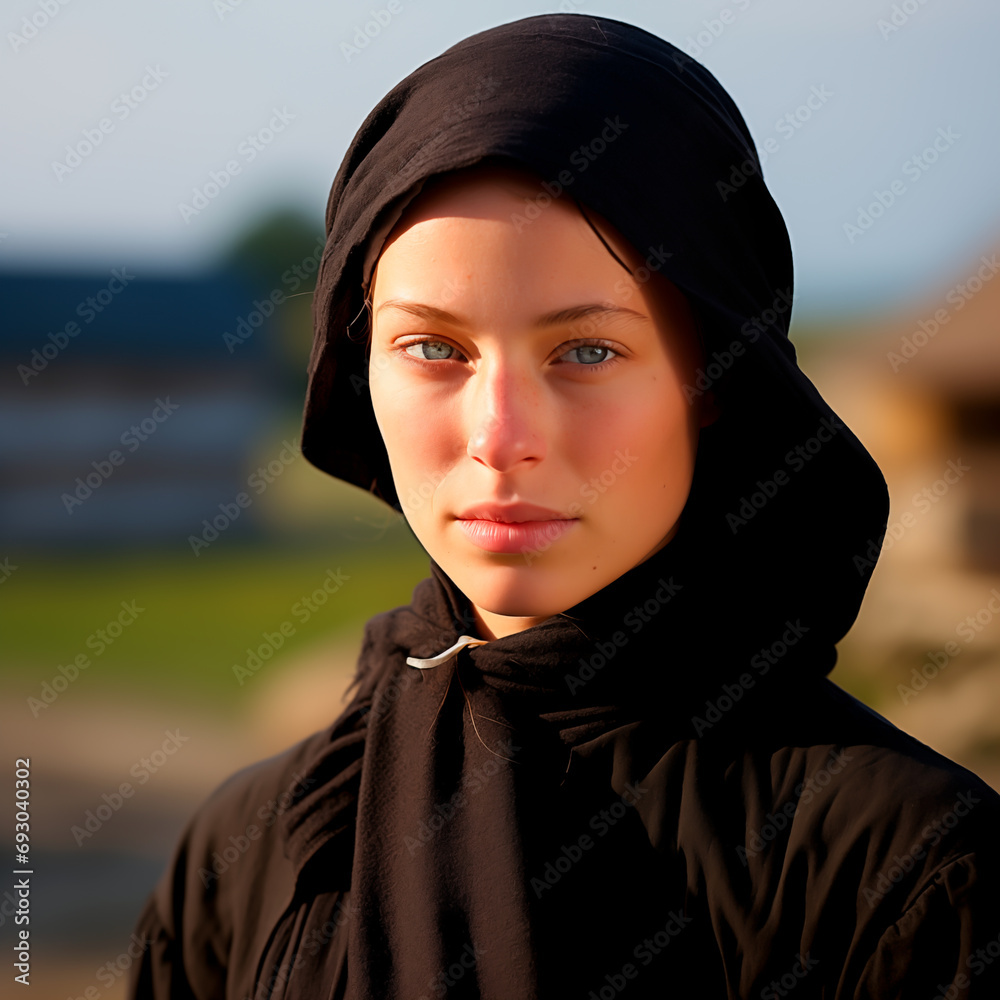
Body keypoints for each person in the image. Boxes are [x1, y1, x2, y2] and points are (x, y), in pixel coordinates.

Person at [127, 13, 1000, 999]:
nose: (499, 435)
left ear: (711, 377)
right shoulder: (239, 855)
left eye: (585, 351)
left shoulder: (908, 872)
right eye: (433, 349)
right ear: (356, 368)